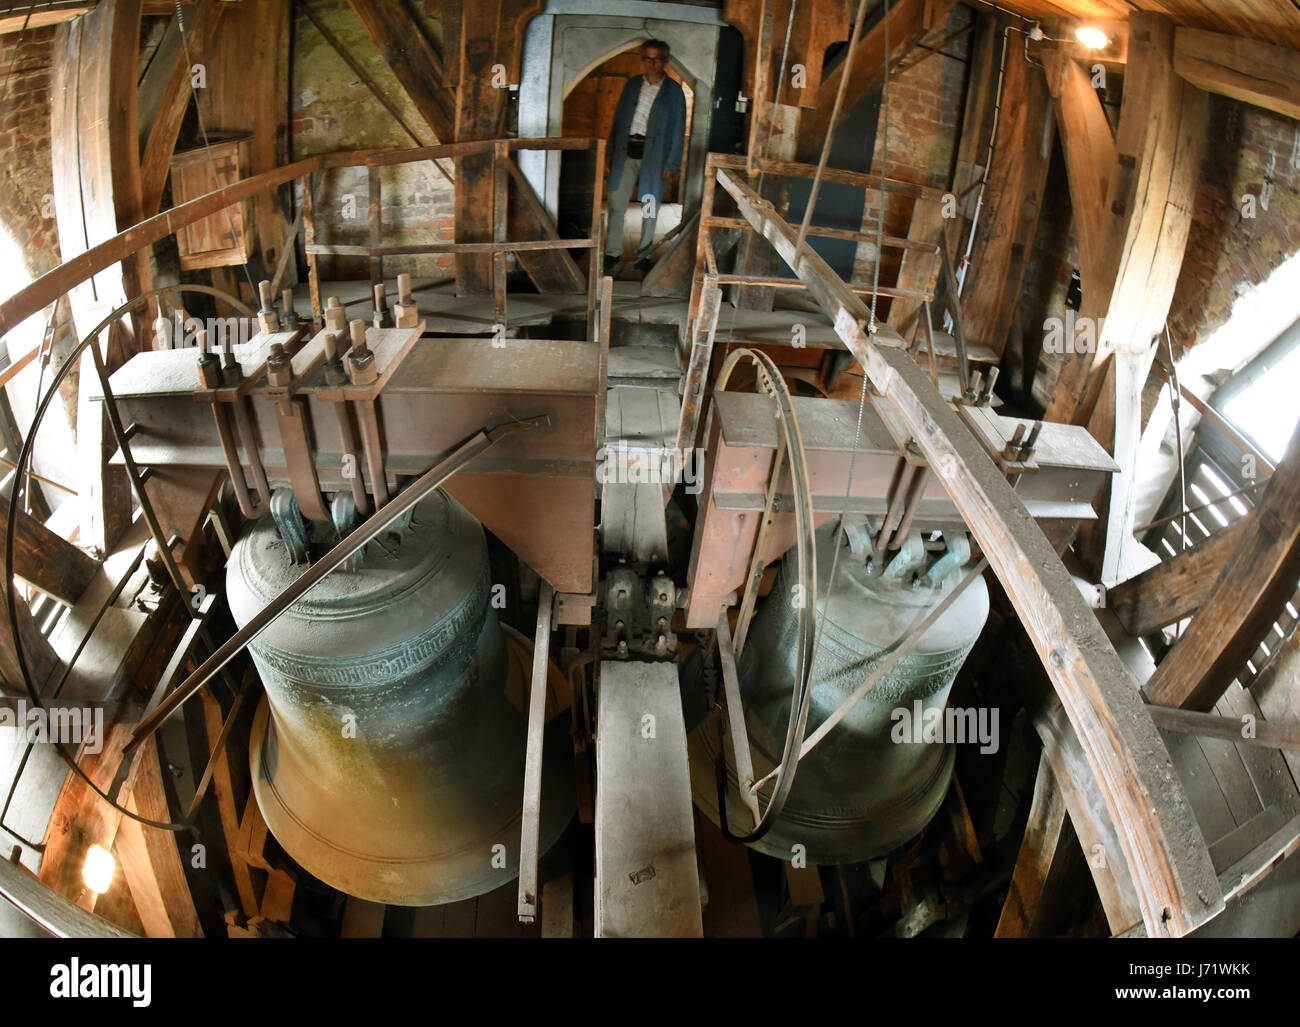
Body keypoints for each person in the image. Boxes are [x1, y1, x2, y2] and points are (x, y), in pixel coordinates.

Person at [604, 40, 687, 274]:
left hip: (655, 159)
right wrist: (610, 150)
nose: (651, 64)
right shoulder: (632, 85)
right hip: (625, 153)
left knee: (649, 207)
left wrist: (672, 162)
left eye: (657, 59)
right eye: (647, 58)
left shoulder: (673, 91)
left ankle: (644, 255)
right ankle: (612, 253)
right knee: (617, 205)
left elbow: (678, 129)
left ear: (665, 61)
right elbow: (618, 120)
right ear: (642, 60)